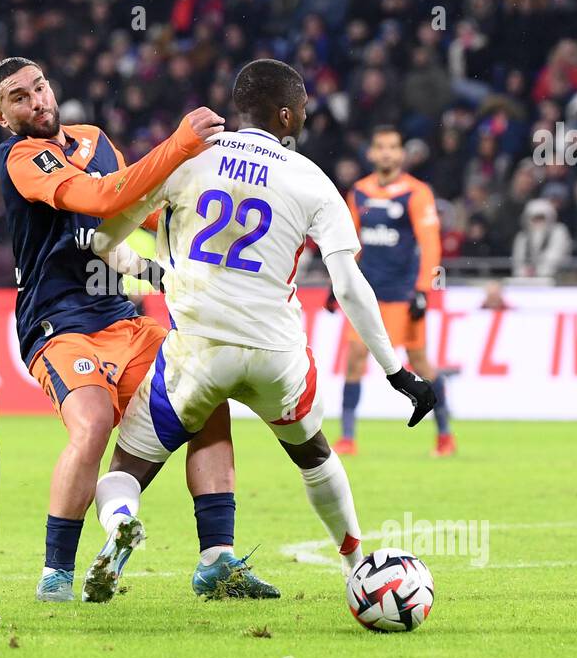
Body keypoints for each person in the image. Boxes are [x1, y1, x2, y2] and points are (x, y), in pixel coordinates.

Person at [83, 59, 436, 601]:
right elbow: (349, 285)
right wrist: (396, 370)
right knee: (314, 454)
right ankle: (357, 568)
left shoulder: (187, 159)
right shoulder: (312, 178)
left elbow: (104, 243)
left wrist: (154, 273)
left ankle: (121, 524)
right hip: (275, 354)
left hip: (196, 352)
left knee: (126, 466)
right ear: (288, 114)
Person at [0, 56, 278, 603]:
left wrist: (220, 216)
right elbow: (103, 199)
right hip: (58, 323)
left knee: (208, 395)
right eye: (19, 98)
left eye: (41, 87)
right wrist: (179, 144)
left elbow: (142, 210)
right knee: (93, 422)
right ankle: (56, 574)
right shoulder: (22, 159)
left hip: (121, 317)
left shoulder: (94, 140)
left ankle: (217, 560)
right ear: (1, 116)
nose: (38, 101)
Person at [335, 125, 455, 458]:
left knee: (420, 363)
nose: (386, 153)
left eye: (392, 147)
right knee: (354, 361)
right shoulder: (358, 192)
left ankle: (444, 434)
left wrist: (423, 289)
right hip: (367, 293)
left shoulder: (416, 193)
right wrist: (339, 282)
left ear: (401, 154)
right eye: (380, 147)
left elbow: (430, 243)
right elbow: (348, 245)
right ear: (371, 153)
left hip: (403, 293)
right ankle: (347, 438)